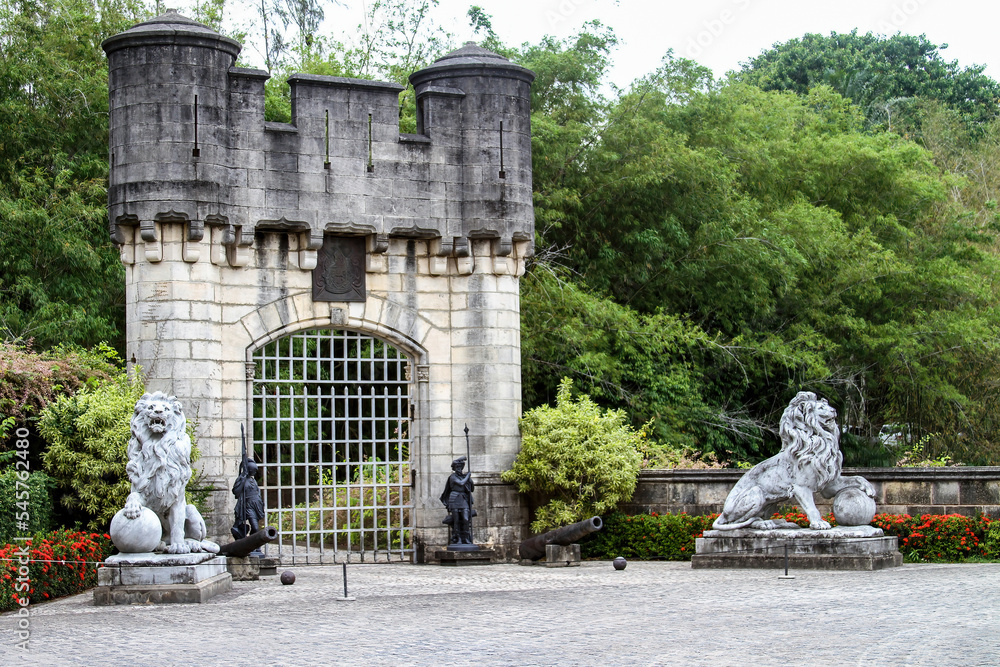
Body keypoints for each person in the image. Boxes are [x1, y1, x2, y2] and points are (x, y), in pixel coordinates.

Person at [440, 456, 475, 545]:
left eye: (460, 468)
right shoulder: (453, 477)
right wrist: (467, 476)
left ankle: (466, 537)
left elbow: (471, 489)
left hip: (463, 499)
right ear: (455, 468)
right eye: (457, 468)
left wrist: (470, 481)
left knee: (466, 519)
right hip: (454, 498)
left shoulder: (463, 476)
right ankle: (458, 538)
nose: (459, 469)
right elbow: (461, 483)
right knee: (456, 520)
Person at [232, 459, 265, 540]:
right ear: (249, 470)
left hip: (257, 505)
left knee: (255, 528)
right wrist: (242, 480)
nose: (255, 472)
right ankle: (253, 542)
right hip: (248, 505)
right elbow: (235, 491)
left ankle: (254, 544)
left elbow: (257, 491)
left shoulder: (253, 480)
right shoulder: (242, 479)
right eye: (253, 470)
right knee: (255, 527)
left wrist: (260, 501)